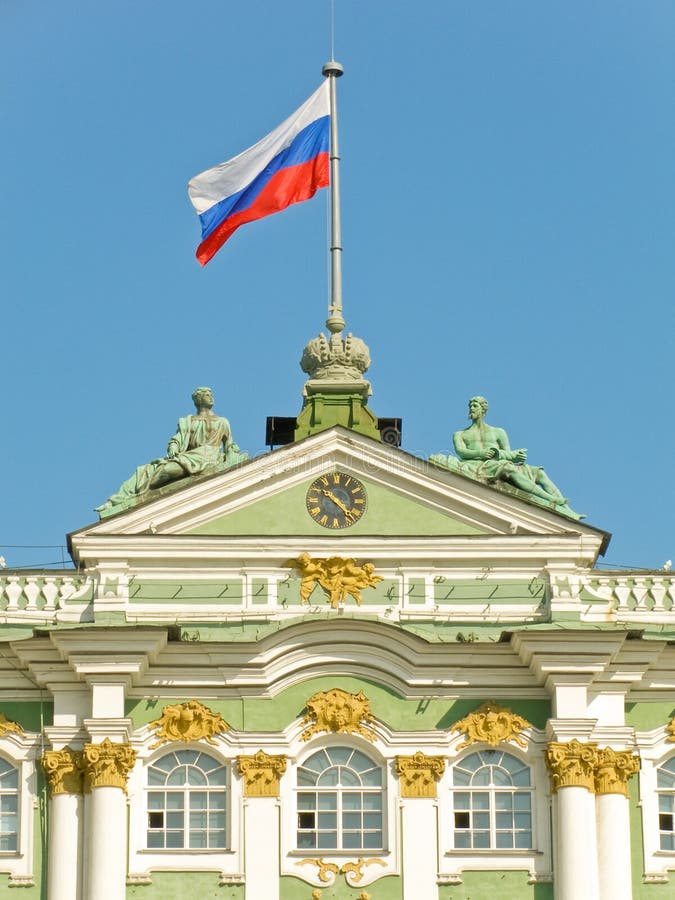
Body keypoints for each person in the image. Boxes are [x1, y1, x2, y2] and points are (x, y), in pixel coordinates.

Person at [97, 387, 246, 513]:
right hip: (190, 456)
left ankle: (138, 492)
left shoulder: (223, 422)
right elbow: (177, 439)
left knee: (167, 471)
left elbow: (229, 446)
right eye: (207, 395)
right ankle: (120, 499)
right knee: (151, 470)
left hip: (209, 457)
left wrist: (233, 456)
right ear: (198, 400)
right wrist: (173, 447)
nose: (211, 397)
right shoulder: (188, 422)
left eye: (211, 394)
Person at [433, 396, 581, 518]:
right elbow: (461, 452)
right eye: (471, 405)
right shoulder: (460, 434)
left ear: (483, 409)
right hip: (478, 465)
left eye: (475, 405)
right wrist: (481, 454)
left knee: (538, 472)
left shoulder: (498, 432)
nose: (472, 408)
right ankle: (550, 499)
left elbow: (508, 453)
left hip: (499, 462)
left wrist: (516, 456)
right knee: (507, 468)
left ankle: (566, 509)